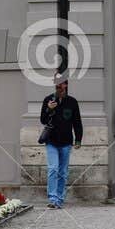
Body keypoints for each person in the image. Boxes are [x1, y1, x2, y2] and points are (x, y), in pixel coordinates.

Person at [38, 73, 82, 209]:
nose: (59, 86)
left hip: (66, 142)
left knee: (63, 172)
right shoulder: (48, 100)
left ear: (66, 85)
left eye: (61, 83)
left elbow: (77, 122)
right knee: (53, 169)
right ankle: (52, 198)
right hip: (51, 141)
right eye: (57, 83)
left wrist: (78, 139)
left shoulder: (72, 102)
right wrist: (49, 109)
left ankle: (60, 198)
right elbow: (43, 120)